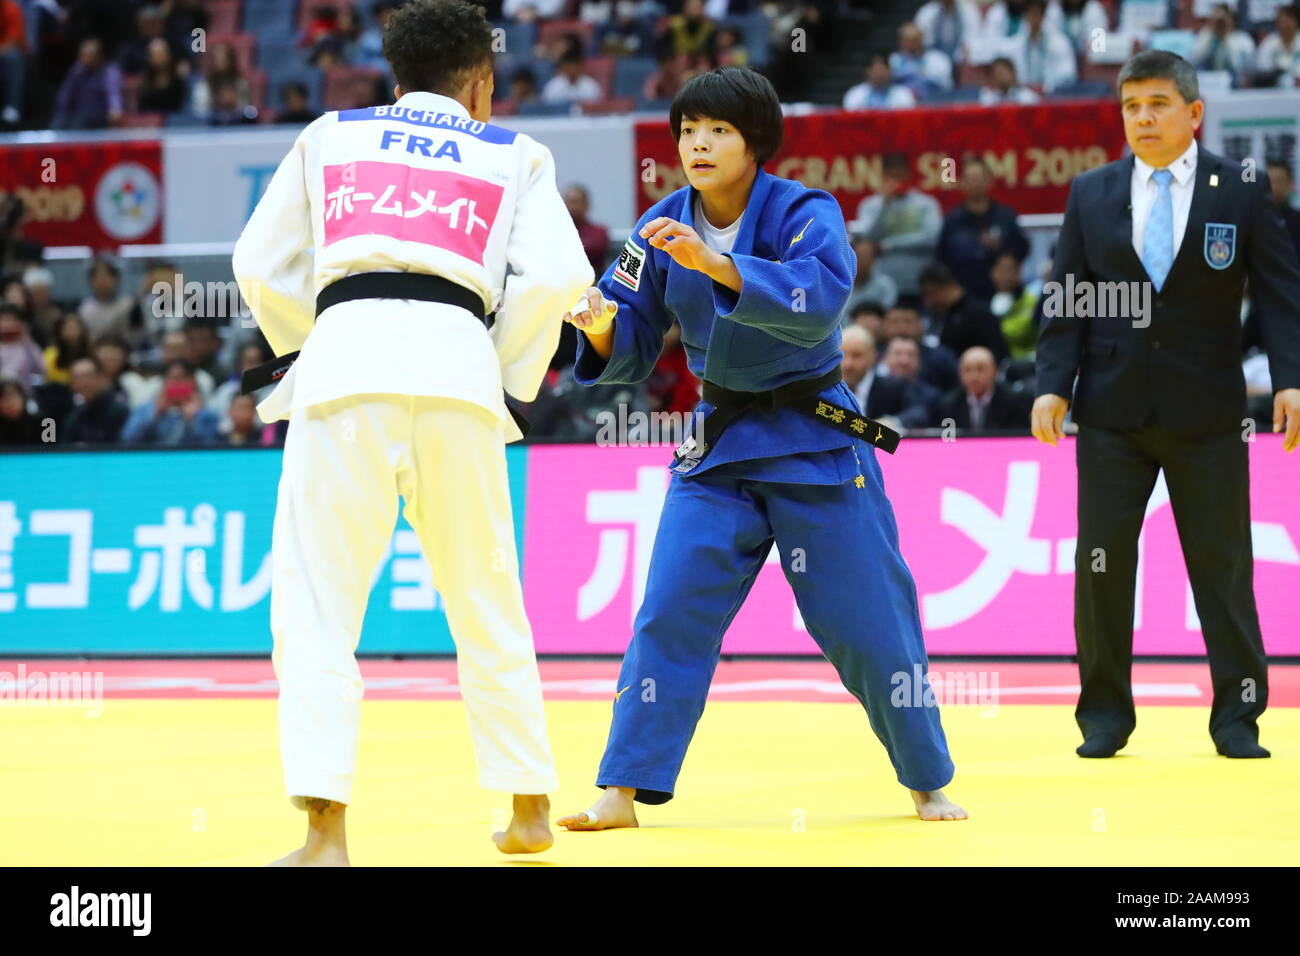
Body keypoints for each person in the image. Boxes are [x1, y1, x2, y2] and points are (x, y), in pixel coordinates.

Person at [557, 66, 964, 832]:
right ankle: (621, 789)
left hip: (813, 440)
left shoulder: (806, 210)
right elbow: (633, 340)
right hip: (718, 448)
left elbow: (817, 303)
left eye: (716, 131)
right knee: (670, 610)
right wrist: (596, 321)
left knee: (868, 623)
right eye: (687, 131)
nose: (697, 145)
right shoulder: (659, 224)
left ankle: (927, 779)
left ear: (754, 144)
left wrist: (720, 267)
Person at [232, 0, 593, 864]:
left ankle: (325, 836)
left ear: (392, 77)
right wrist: (499, 369)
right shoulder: (515, 150)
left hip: (345, 365)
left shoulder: (331, 134)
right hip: (459, 368)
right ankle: (530, 804)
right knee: (486, 593)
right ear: (481, 83)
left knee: (317, 607)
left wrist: (309, 344)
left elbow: (256, 262)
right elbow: (557, 279)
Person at [1032, 51, 1300, 760]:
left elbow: (1279, 293)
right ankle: (1105, 717)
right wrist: (1052, 383)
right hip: (1112, 412)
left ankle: (1238, 719)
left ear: (1193, 112)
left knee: (1222, 565)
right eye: (1131, 106)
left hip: (1208, 411)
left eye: (1157, 104)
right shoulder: (1091, 191)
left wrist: (1290, 379)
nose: (1143, 118)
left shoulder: (1238, 189)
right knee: (1101, 565)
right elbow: (1066, 298)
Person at [937, 154, 1029, 303]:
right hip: (964, 293)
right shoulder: (952, 220)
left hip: (1001, 294)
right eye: (970, 178)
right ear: (961, 183)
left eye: (979, 178)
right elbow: (942, 258)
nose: (975, 183)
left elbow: (1021, 249)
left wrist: (1001, 248)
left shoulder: (1005, 216)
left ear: (990, 181)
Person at [852, 152, 942, 296]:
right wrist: (885, 205)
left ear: (908, 174)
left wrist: (889, 245)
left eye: (899, 176)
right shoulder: (871, 205)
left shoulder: (926, 203)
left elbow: (931, 238)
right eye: (891, 176)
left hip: (919, 278)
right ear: (883, 176)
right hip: (883, 281)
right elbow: (868, 240)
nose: (896, 181)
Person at [918, 262, 1009, 362]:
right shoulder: (942, 316)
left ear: (948, 286)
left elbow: (997, 353)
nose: (928, 302)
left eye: (931, 293)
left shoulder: (978, 315)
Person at [120, 359, 219, 445]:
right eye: (174, 378)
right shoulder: (145, 410)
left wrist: (193, 421)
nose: (178, 383)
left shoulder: (207, 414)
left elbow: (214, 448)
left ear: (193, 382)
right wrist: (154, 414)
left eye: (184, 378)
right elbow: (127, 440)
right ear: (164, 381)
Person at [934, 345, 1030, 431]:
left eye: (981, 369)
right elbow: (947, 440)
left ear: (994, 371)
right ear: (960, 373)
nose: (974, 376)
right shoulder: (948, 404)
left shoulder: (1015, 402)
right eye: (967, 370)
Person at [63, 356, 129, 443]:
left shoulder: (120, 412)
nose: (83, 383)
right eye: (76, 378)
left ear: (102, 378)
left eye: (87, 376)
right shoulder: (74, 417)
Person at [842, 55, 916, 111]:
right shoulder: (854, 94)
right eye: (875, 71)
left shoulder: (903, 94)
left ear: (889, 71)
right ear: (867, 72)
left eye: (882, 70)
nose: (879, 74)